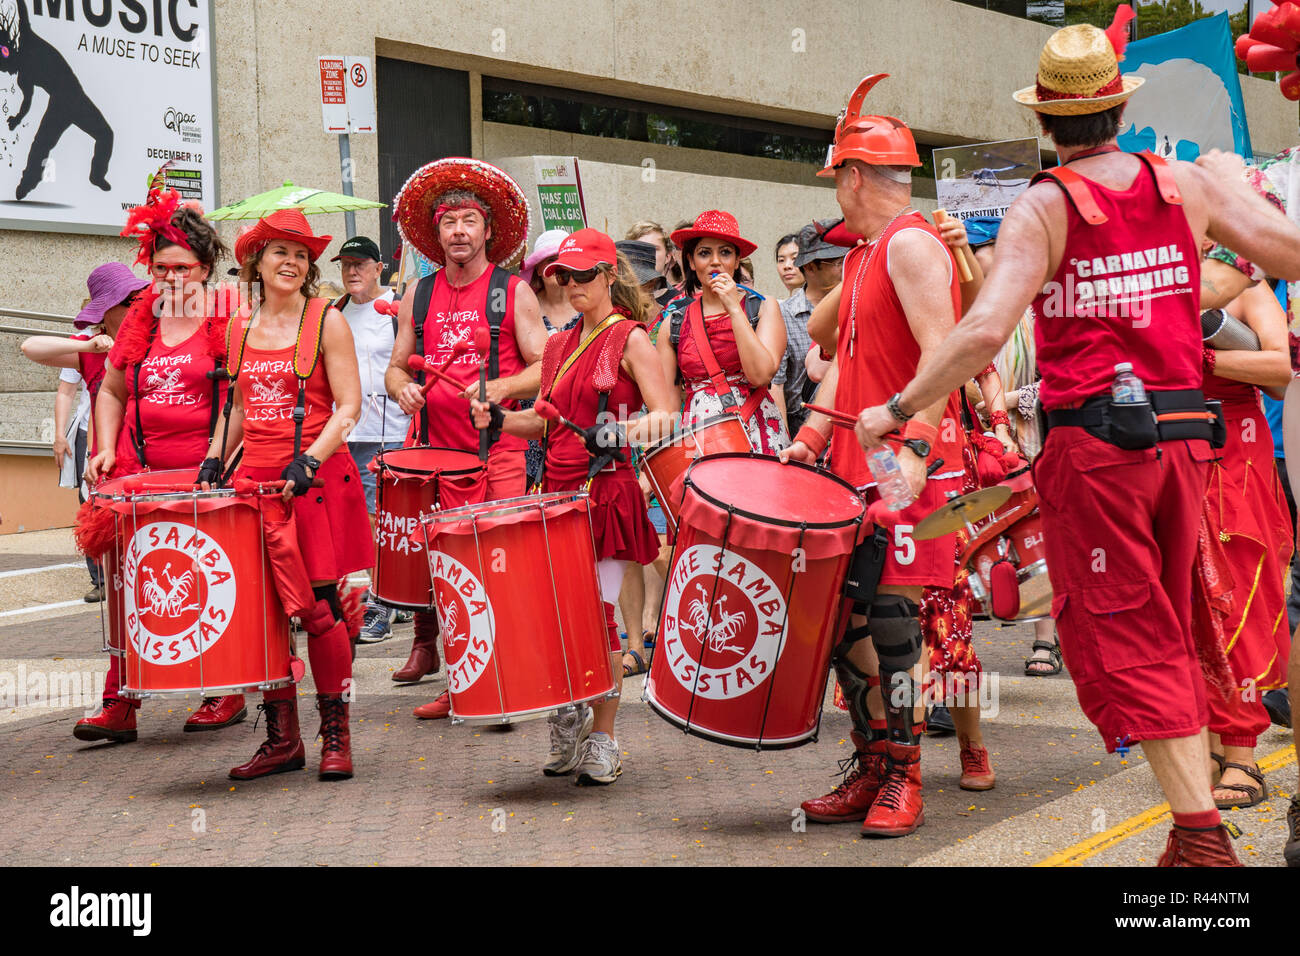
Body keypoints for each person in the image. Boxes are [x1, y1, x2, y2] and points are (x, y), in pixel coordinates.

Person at [852, 17, 1300, 865]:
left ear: (1046, 123)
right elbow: (1288, 250)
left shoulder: (1044, 205)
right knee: (1168, 625)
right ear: (1118, 110)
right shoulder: (1181, 184)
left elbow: (985, 331)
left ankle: (1203, 849)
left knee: (1134, 636)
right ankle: (1192, 830)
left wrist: (898, 405)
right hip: (1183, 446)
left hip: (1101, 459)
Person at [779, 73, 966, 838]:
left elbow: (944, 358)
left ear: (854, 177)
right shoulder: (863, 258)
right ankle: (872, 764)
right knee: (840, 624)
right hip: (856, 464)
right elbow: (845, 364)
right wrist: (808, 441)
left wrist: (916, 448)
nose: (834, 194)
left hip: (903, 465)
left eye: (837, 177)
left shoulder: (913, 244)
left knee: (893, 626)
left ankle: (907, 778)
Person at [470, 228, 675, 783]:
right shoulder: (559, 344)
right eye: (564, 275)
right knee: (558, 620)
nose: (573, 284)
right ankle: (569, 712)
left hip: (604, 493)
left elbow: (666, 414)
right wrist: (497, 421)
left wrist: (620, 430)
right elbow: (539, 421)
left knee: (598, 618)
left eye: (586, 274)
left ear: (610, 276)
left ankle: (604, 737)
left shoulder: (631, 338)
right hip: (555, 498)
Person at [202, 208, 371, 781]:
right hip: (254, 484)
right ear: (255, 262)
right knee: (262, 613)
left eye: (301, 255)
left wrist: (310, 460)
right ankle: (282, 740)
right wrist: (212, 456)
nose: (292, 263)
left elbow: (349, 407)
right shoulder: (237, 330)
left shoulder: (328, 321)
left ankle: (336, 736)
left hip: (313, 482)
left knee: (322, 611)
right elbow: (241, 410)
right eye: (280, 252)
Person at [75, 192, 248, 741]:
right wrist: (104, 447)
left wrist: (218, 460)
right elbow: (112, 389)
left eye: (183, 268)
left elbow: (242, 398)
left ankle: (226, 689)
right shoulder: (143, 317)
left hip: (210, 476)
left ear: (205, 268)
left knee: (211, 583)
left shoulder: (226, 315)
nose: (170, 278)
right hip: (142, 475)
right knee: (131, 588)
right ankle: (120, 702)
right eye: (161, 267)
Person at [384, 158, 546, 719]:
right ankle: (451, 669)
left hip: (495, 454)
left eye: (468, 221)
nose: (458, 231)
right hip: (434, 455)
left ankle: (497, 681)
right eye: (449, 221)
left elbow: (546, 366)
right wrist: (402, 386)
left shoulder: (512, 292)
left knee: (493, 569)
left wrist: (497, 388)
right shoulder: (419, 294)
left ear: (487, 231)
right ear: (437, 233)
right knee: (442, 570)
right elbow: (397, 367)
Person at [1194, 278, 1292, 811]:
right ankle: (1205, 744)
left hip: (1235, 451)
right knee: (1181, 605)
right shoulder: (1146, 281)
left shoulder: (1245, 289)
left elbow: (1280, 374)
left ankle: (1241, 753)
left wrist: (1201, 355)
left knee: (1238, 602)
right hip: (1162, 444)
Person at [21, 263, 148, 601]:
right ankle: (108, 590)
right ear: (105, 310)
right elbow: (29, 348)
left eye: (138, 299)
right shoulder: (90, 350)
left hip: (149, 459)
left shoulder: (153, 341)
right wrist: (88, 347)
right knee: (113, 544)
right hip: (106, 460)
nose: (136, 307)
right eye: (127, 302)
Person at [658, 210, 789, 457]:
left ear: (737, 261)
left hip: (758, 436)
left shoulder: (762, 307)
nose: (715, 261)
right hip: (699, 443)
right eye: (705, 253)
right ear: (691, 261)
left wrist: (733, 309)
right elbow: (667, 408)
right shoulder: (673, 323)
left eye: (725, 252)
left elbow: (760, 375)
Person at [331, 235, 409, 644]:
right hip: (351, 433)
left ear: (380, 268)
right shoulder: (334, 313)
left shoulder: (399, 307)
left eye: (360, 263)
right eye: (345, 264)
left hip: (397, 429)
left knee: (395, 520)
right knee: (371, 520)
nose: (352, 271)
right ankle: (384, 599)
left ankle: (395, 598)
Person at [775, 220, 844, 434]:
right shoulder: (783, 314)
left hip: (846, 426)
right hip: (803, 430)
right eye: (837, 263)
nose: (844, 267)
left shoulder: (854, 305)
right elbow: (776, 385)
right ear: (811, 267)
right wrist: (784, 438)